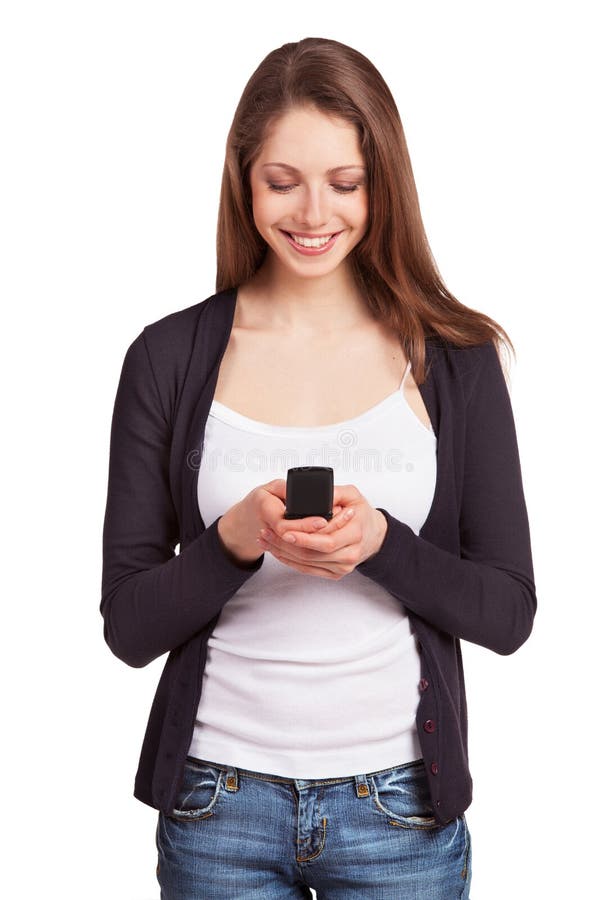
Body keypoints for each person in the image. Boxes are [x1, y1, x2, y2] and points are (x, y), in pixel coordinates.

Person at [100, 37, 537, 899]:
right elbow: (126, 627)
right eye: (281, 181)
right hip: (214, 807)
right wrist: (231, 540)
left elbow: (509, 611)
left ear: (384, 185)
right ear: (243, 178)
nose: (312, 213)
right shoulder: (166, 357)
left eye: (345, 183)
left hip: (401, 812)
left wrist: (382, 544)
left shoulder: (455, 359)